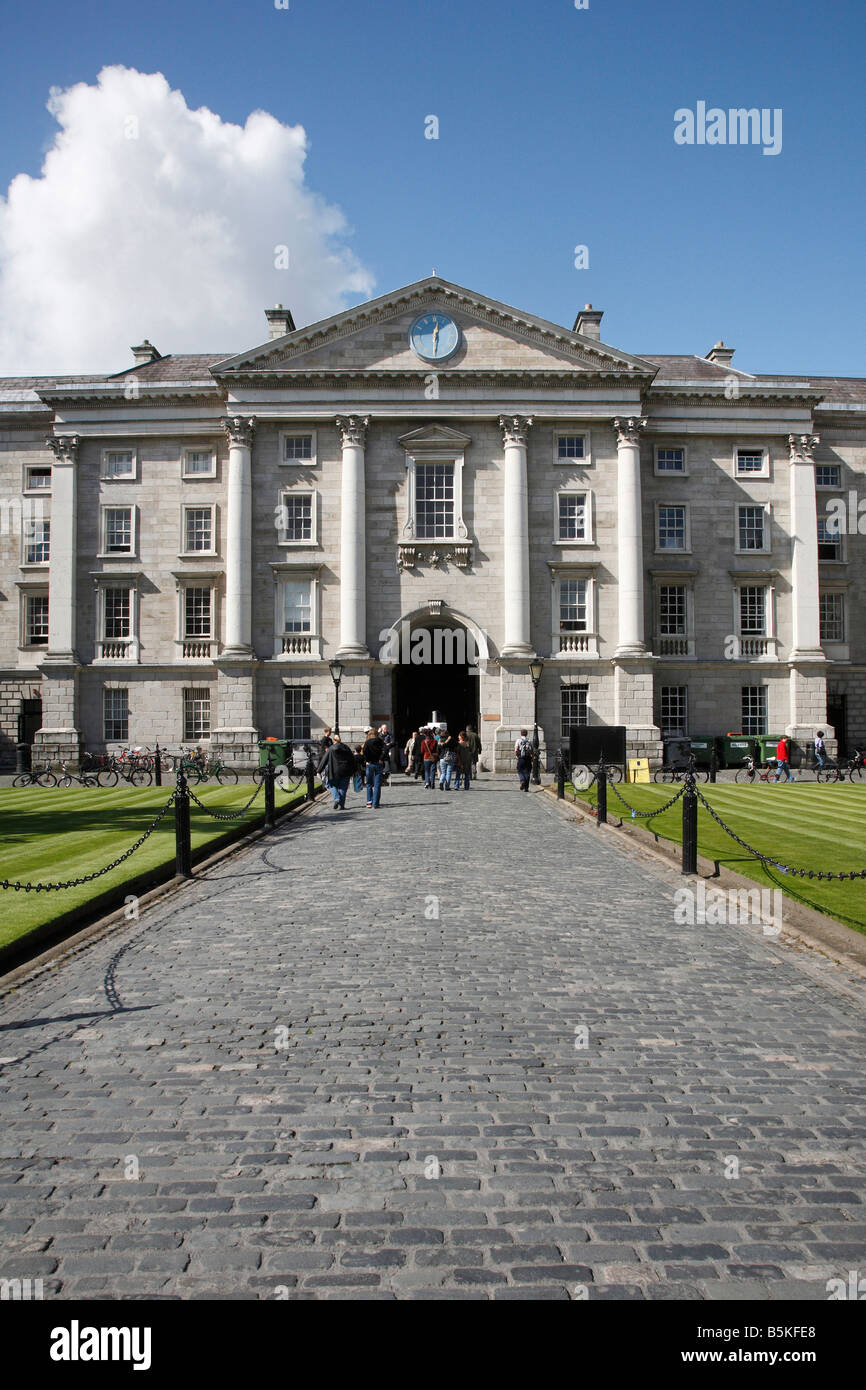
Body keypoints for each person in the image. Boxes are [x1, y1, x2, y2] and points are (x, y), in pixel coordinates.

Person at [316, 733, 355, 810]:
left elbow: (324, 759)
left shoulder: (331, 749)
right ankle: (341, 806)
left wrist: (319, 770)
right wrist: (354, 770)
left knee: (332, 785)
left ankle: (336, 799)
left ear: (334, 741)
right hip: (345, 770)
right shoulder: (346, 747)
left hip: (334, 771)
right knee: (343, 788)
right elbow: (352, 759)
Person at [362, 727, 386, 808]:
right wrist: (381, 759)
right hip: (378, 763)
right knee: (377, 784)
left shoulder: (367, 742)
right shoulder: (380, 741)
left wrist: (367, 760)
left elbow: (364, 752)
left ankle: (369, 802)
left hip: (370, 764)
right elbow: (385, 750)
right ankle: (375, 803)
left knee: (369, 784)